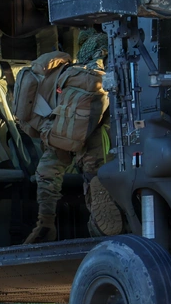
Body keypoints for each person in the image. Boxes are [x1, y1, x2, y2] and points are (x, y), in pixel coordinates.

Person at [21, 29, 121, 244]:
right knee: (104, 186)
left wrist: (45, 218)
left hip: (64, 133)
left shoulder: (69, 75)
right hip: (103, 143)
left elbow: (49, 169)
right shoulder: (113, 72)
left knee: (52, 171)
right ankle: (113, 239)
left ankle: (45, 223)